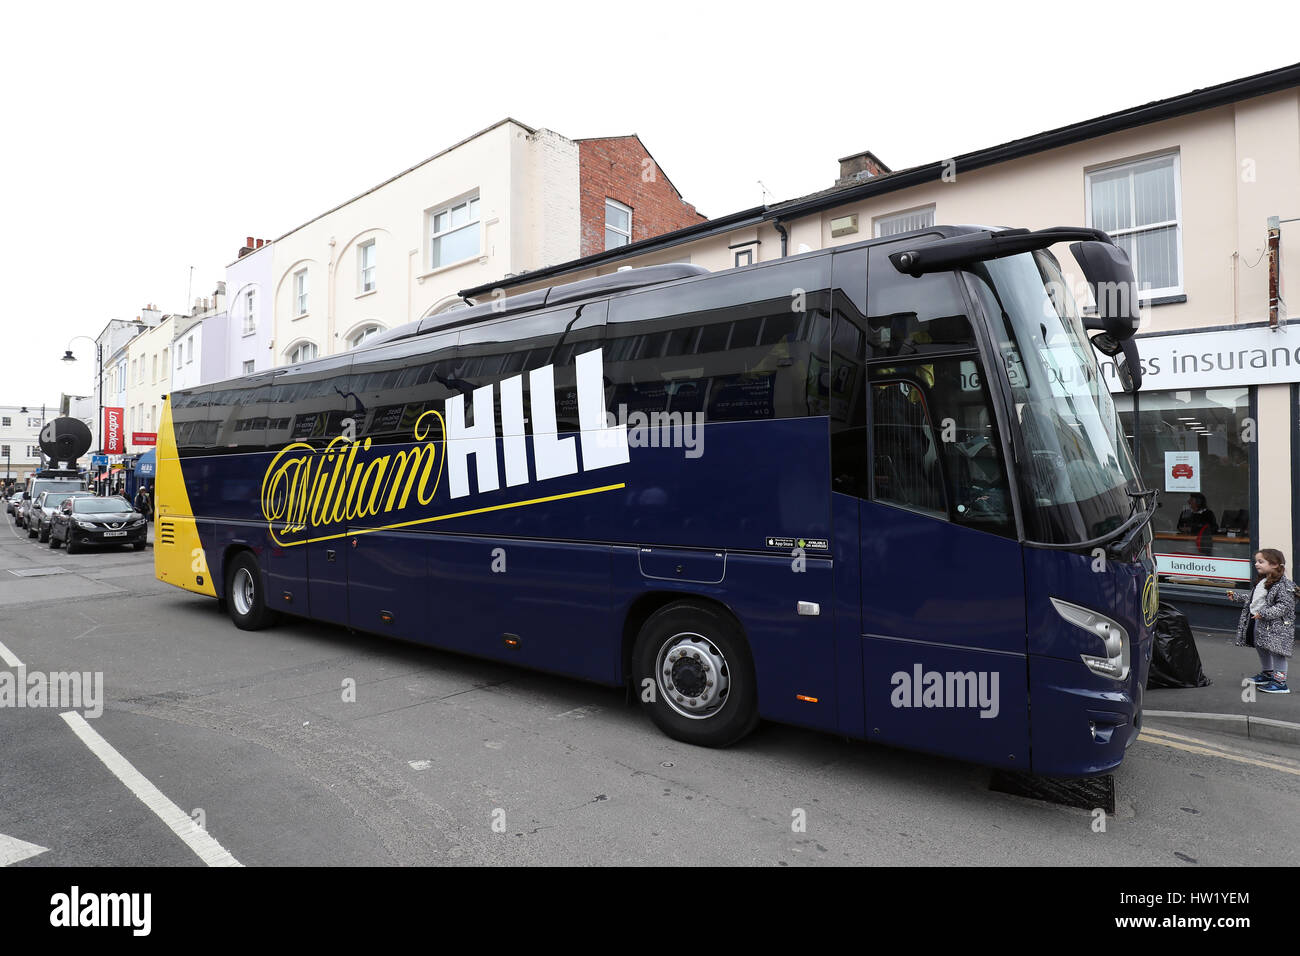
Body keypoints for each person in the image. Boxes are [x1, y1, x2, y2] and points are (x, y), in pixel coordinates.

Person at [1227, 549, 1296, 694]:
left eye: (1260, 561)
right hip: (1261, 622)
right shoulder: (1264, 581)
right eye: (1256, 561)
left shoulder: (1283, 585)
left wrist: (1263, 613)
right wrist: (1238, 597)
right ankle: (1267, 673)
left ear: (1275, 564)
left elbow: (1284, 606)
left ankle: (1280, 683)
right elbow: (1256, 599)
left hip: (1278, 627)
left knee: (1277, 652)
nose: (1256, 564)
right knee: (1261, 647)